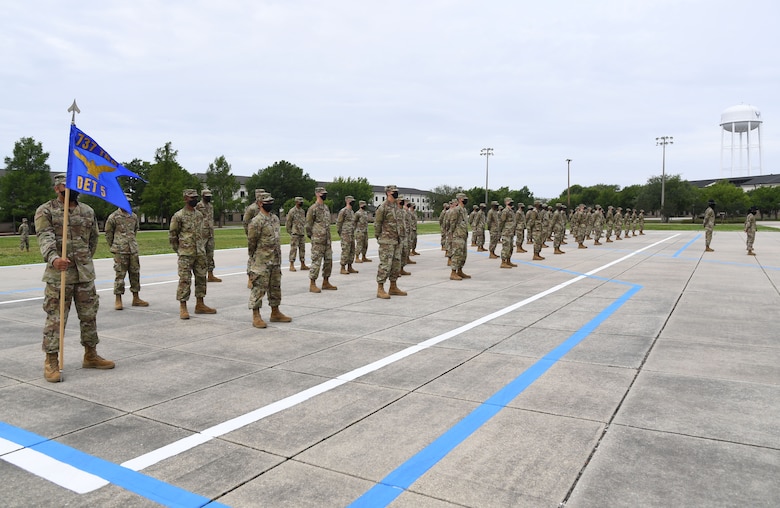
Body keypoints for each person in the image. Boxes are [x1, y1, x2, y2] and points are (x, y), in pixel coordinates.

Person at [35, 173, 114, 382]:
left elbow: (93, 241)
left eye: (72, 186)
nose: (69, 190)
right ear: (56, 189)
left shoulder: (87, 211)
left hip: (84, 274)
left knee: (89, 315)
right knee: (56, 318)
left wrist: (84, 260)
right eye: (64, 187)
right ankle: (51, 360)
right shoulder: (46, 210)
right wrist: (53, 259)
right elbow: (45, 238)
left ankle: (91, 355)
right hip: (59, 274)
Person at [169, 189, 217, 319]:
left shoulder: (199, 215)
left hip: (199, 252)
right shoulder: (178, 216)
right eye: (192, 198)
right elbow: (173, 236)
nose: (194, 200)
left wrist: (201, 248)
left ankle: (200, 304)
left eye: (196, 197)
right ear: (185, 199)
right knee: (185, 280)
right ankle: (183, 307)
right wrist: (179, 250)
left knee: (201, 278)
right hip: (186, 253)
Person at [247, 193, 292, 328]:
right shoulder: (256, 221)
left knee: (275, 288)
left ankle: (275, 312)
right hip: (262, 261)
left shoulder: (275, 219)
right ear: (260, 203)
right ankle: (256, 315)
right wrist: (256, 259)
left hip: (275, 260)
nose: (269, 203)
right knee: (259, 288)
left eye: (271, 201)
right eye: (267, 201)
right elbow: (252, 243)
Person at [105, 194, 148, 310]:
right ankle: (118, 299)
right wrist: (115, 246)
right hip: (120, 250)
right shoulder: (113, 217)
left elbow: (135, 230)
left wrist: (131, 243)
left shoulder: (133, 216)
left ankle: (136, 297)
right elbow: (109, 234)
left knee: (135, 274)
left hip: (132, 250)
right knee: (120, 274)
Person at [374, 185, 407, 298]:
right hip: (386, 241)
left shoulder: (396, 207)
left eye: (397, 191)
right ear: (388, 192)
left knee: (396, 265)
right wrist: (380, 238)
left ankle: (393, 287)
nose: (396, 193)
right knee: (385, 265)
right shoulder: (383, 207)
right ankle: (380, 288)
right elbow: (377, 224)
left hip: (397, 240)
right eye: (394, 192)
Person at [305, 187, 337, 292]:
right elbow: (308, 226)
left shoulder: (326, 207)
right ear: (317, 194)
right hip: (318, 240)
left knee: (328, 261)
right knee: (316, 262)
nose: (324, 195)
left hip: (327, 239)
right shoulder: (313, 208)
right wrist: (313, 236)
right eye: (322, 193)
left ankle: (326, 281)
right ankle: (312, 283)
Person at [195, 188, 221, 282]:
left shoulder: (210, 206)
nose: (209, 198)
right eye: (207, 197)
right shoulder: (198, 206)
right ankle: (201, 276)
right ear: (202, 196)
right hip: (202, 234)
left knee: (210, 254)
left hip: (210, 233)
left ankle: (210, 275)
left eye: (210, 197)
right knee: (201, 255)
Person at [448, 193, 471, 279]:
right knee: (457, 254)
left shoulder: (464, 210)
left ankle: (460, 271)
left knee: (463, 255)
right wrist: (452, 234)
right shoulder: (456, 210)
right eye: (464, 198)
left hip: (463, 235)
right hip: (457, 235)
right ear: (460, 199)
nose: (465, 200)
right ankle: (453, 273)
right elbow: (452, 223)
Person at [285, 196, 309, 272]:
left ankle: (303, 264)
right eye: (299, 201)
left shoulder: (302, 211)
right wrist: (291, 232)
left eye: (302, 201)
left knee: (302, 249)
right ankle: (291, 265)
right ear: (296, 202)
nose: (301, 203)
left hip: (301, 233)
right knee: (293, 249)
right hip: (295, 233)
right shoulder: (292, 211)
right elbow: (288, 222)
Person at [336, 195, 358, 274]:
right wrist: (341, 233)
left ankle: (350, 266)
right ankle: (342, 267)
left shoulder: (352, 211)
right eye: (351, 200)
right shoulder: (343, 211)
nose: (353, 202)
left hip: (351, 234)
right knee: (345, 250)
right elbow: (339, 223)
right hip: (345, 234)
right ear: (347, 201)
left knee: (352, 250)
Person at [498, 197, 516, 269]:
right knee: (506, 247)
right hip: (506, 232)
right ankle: (503, 262)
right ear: (506, 202)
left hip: (511, 232)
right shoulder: (505, 211)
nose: (511, 202)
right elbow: (502, 221)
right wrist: (500, 231)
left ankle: (508, 261)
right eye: (509, 201)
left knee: (510, 247)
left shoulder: (511, 210)